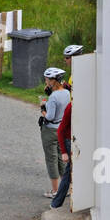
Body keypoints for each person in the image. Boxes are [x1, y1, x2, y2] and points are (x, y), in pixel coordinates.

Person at [37, 68, 71, 198]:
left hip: (50, 130)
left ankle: (55, 190)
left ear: (52, 81)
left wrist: (42, 108)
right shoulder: (67, 93)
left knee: (51, 160)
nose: (45, 81)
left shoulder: (52, 97)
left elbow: (49, 117)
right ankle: (65, 188)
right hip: (61, 128)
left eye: (47, 79)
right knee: (61, 158)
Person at [50, 78, 74, 209]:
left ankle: (57, 202)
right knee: (68, 172)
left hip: (75, 141)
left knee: (70, 172)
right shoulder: (70, 107)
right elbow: (60, 130)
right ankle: (56, 203)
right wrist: (64, 152)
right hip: (69, 141)